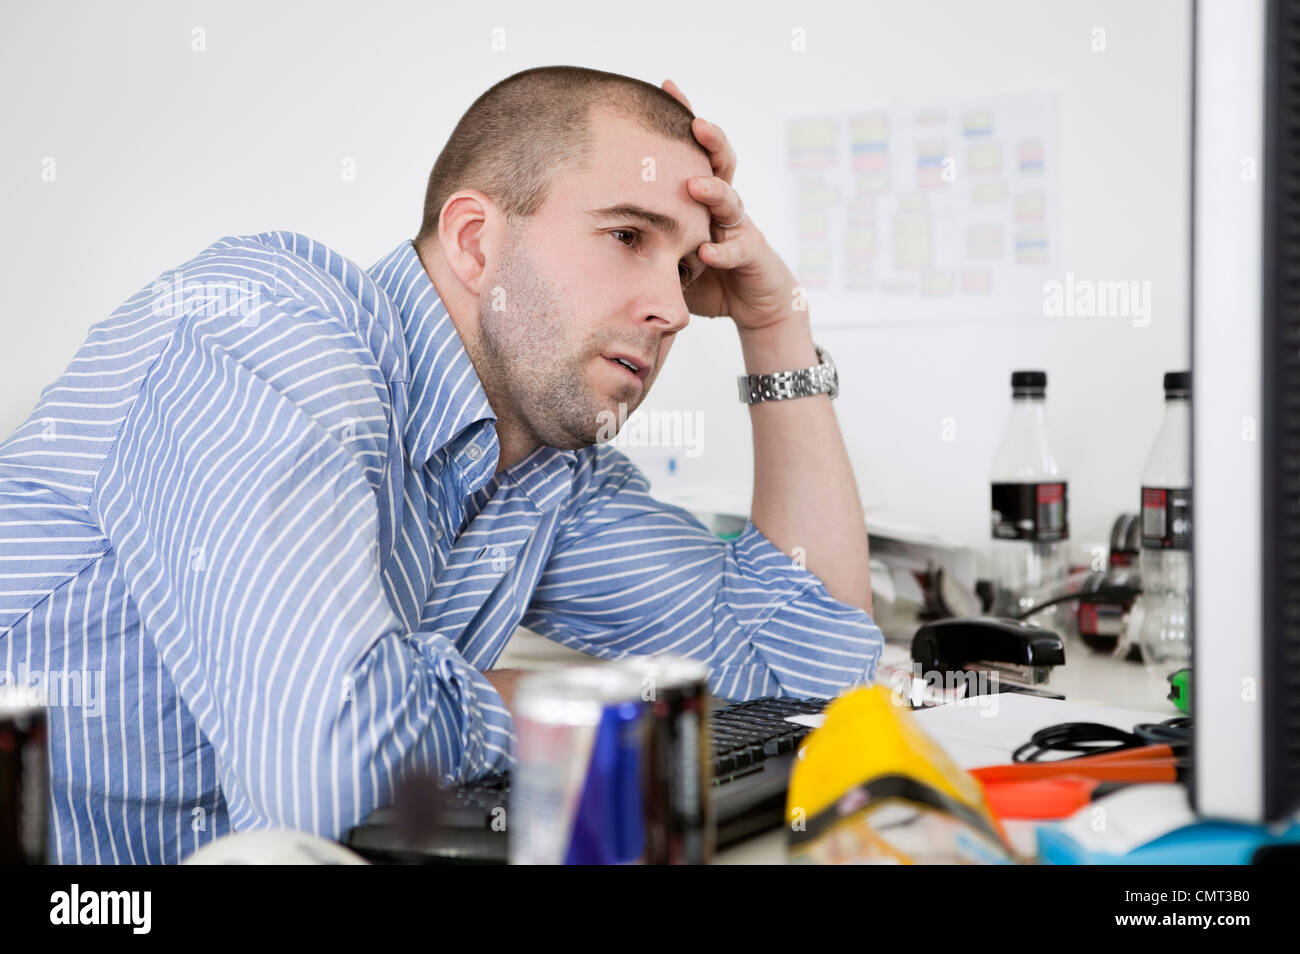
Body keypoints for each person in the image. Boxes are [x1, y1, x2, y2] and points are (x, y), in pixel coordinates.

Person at [0, 66, 882, 864]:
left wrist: (776, 329)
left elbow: (814, 671)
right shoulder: (262, 327)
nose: (673, 309)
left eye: (687, 268)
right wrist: (558, 703)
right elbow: (321, 777)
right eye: (626, 237)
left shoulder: (544, 468)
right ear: (473, 241)